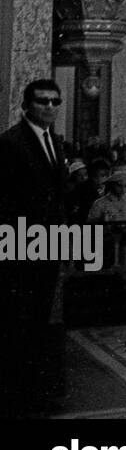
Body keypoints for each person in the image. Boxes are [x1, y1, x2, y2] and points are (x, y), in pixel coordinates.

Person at [0, 79, 70, 416]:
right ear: (27, 105)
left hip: (48, 247)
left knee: (39, 323)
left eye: (55, 101)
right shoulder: (11, 143)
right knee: (20, 324)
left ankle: (34, 392)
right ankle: (17, 397)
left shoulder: (53, 141)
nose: (50, 107)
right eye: (42, 101)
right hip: (21, 249)